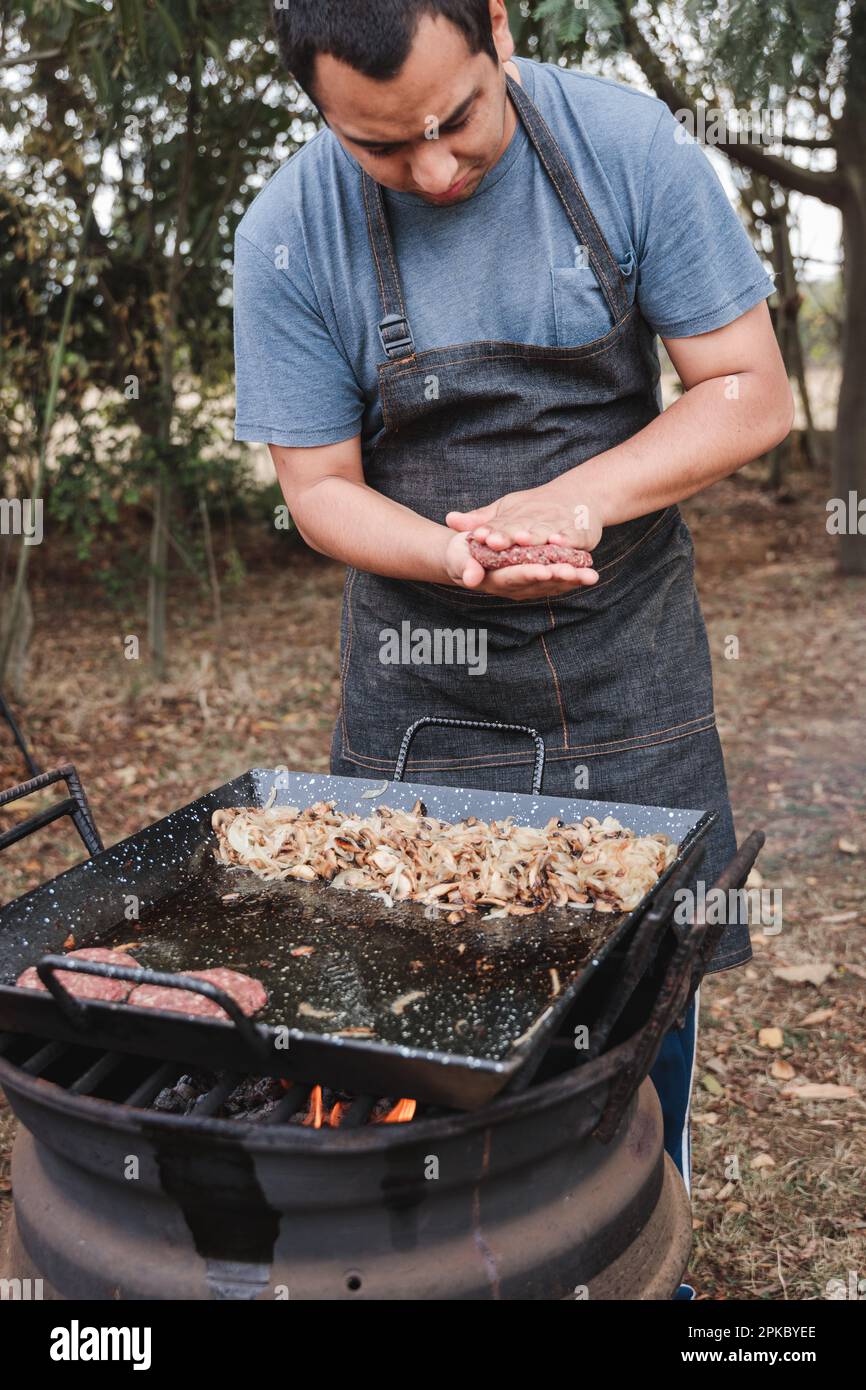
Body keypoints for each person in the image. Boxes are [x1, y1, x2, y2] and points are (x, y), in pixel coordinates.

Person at [232, 0, 793, 1198]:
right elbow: (321, 489)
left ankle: (642, 1230)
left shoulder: (625, 147)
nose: (432, 171)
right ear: (321, 112)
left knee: (640, 1012)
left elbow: (748, 388)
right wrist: (456, 557)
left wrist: (576, 502)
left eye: (457, 119)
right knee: (419, 1011)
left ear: (496, 23)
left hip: (622, 663)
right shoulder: (289, 227)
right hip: (420, 683)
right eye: (381, 146)